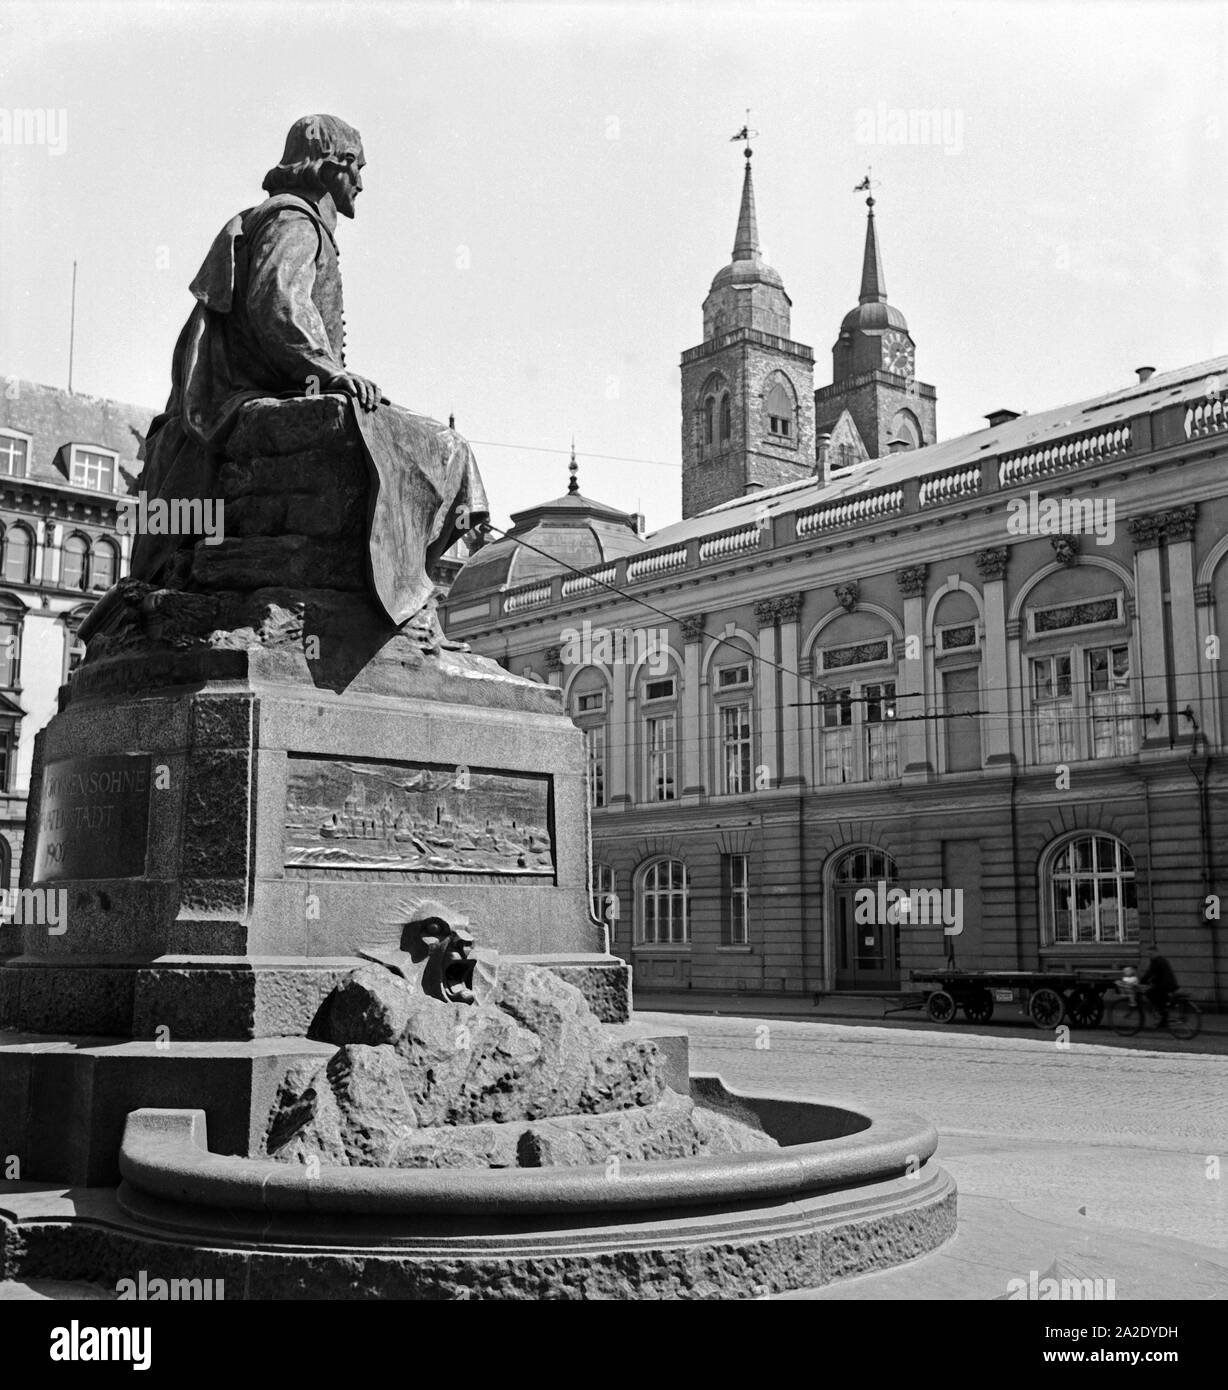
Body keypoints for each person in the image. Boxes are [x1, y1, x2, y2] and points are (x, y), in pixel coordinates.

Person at [1140, 952, 1179, 1027]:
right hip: (1170, 984)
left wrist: (1142, 981)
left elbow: (1149, 973)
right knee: (1159, 997)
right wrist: (1152, 981)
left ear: (1153, 954)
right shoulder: (1162, 960)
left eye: (1150, 954)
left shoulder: (1156, 961)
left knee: (1150, 994)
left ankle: (1164, 1017)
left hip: (1165, 985)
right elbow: (1159, 973)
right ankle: (1164, 1014)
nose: (1149, 956)